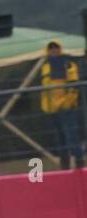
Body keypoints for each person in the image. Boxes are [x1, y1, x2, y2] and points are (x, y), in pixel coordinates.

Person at [41, 41, 84, 170]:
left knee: (71, 135)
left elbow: (74, 86)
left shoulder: (68, 64)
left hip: (66, 107)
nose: (53, 50)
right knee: (60, 137)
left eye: (56, 48)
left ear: (60, 49)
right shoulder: (46, 66)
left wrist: (67, 102)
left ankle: (79, 162)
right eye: (51, 48)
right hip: (52, 108)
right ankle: (64, 164)